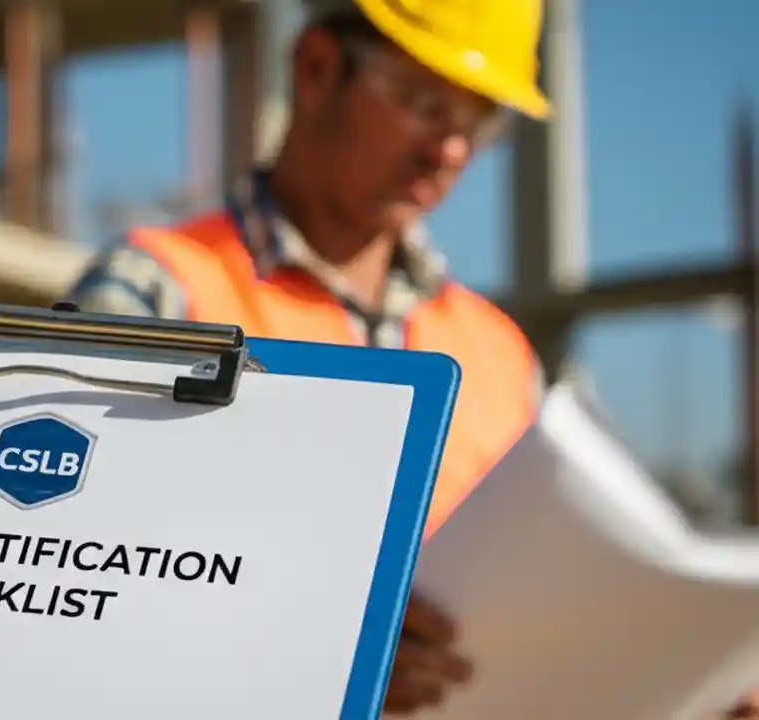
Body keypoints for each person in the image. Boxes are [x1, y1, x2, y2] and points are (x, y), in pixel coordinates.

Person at [61, 0, 759, 716]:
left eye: (477, 122)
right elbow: (56, 589)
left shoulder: (498, 354)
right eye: (424, 102)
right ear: (316, 68)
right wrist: (315, 653)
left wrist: (691, 678)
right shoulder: (159, 292)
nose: (450, 150)